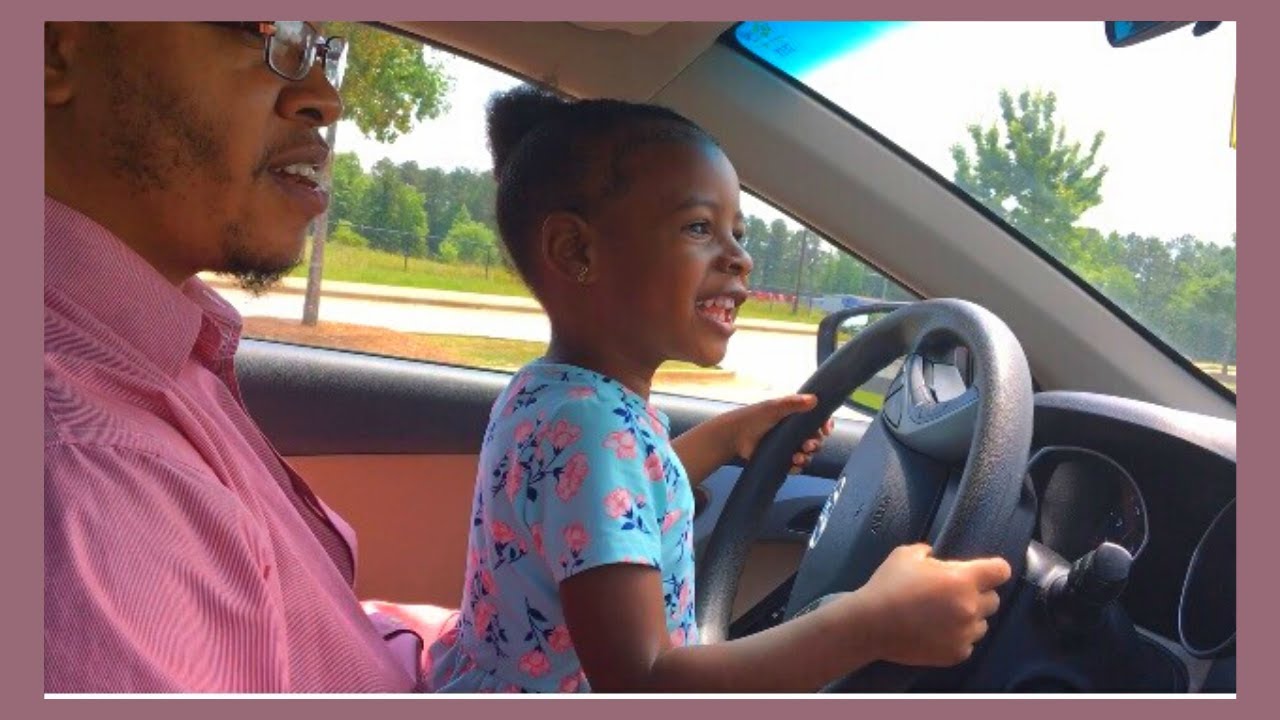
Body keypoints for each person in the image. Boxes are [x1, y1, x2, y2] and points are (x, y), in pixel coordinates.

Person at [424, 87, 1013, 693]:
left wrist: (725, 438)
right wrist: (868, 625)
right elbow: (641, 681)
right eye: (700, 227)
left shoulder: (554, 396)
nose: (741, 259)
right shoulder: (593, 430)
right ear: (575, 250)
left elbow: (606, 511)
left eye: (737, 232)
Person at [43, 21, 451, 693]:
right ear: (54, 50)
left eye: (319, 48)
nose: (324, 97)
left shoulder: (157, 343)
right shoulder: (88, 479)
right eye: (265, 28)